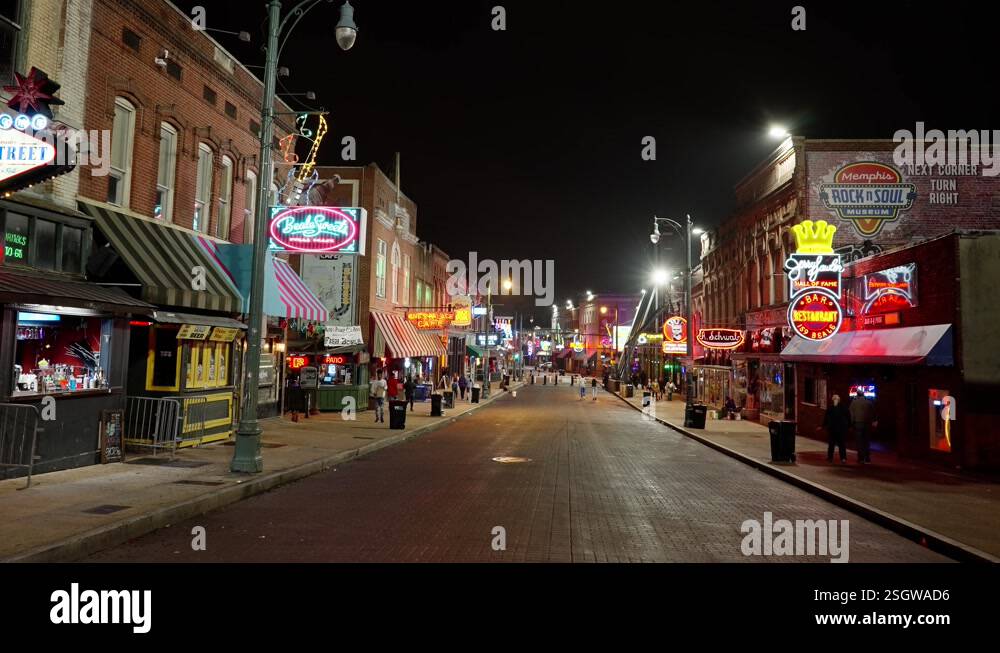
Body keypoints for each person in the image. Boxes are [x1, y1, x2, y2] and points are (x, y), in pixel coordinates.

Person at [819, 393, 850, 463]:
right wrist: (849, 426)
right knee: (842, 444)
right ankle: (843, 458)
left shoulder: (830, 408)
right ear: (839, 400)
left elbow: (826, 418)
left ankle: (830, 457)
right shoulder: (844, 407)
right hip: (841, 429)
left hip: (832, 429)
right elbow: (848, 417)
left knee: (831, 444)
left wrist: (823, 426)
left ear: (833, 400)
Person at [849, 388, 877, 464]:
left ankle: (861, 458)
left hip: (858, 423)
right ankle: (867, 458)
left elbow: (851, 415)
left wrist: (851, 424)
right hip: (867, 423)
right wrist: (874, 421)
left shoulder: (853, 403)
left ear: (857, 394)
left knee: (859, 441)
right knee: (866, 441)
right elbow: (873, 413)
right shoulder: (869, 402)